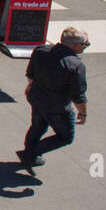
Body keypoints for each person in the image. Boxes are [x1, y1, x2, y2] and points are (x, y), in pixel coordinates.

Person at [18, 27, 90, 171]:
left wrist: (31, 87)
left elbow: (30, 74)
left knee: (37, 126)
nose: (86, 47)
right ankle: (30, 153)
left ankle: (30, 154)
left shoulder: (40, 50)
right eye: (85, 45)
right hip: (57, 107)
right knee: (65, 137)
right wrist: (83, 113)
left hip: (36, 97)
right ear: (75, 45)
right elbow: (78, 96)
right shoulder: (76, 66)